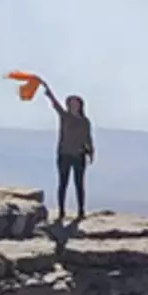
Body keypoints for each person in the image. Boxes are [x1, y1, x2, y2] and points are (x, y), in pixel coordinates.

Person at [42, 81, 94, 223]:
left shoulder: (85, 121)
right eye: (71, 103)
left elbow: (88, 137)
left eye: (75, 103)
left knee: (79, 184)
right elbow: (55, 105)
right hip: (64, 154)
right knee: (63, 183)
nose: (73, 106)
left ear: (80, 105)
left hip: (79, 155)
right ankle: (61, 211)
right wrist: (48, 92)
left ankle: (81, 211)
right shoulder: (65, 117)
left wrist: (91, 152)